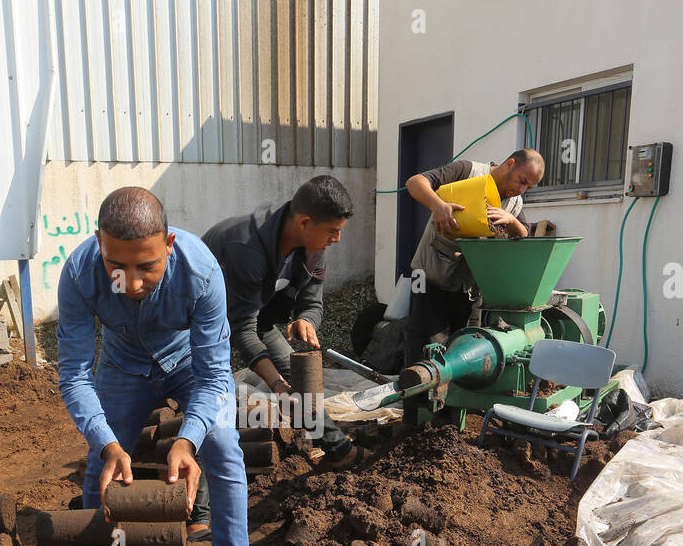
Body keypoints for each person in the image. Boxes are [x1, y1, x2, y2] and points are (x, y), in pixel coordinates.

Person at [56, 187, 252, 546]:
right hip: (122, 366)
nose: (133, 281)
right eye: (116, 267)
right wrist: (107, 443)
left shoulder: (201, 271)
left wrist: (186, 441)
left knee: (224, 450)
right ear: (100, 245)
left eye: (147, 266)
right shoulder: (80, 274)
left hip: (188, 365)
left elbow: (214, 374)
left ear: (169, 243)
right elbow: (75, 374)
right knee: (98, 468)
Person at [201, 175, 369, 469]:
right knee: (210, 390)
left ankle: (339, 451)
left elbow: (313, 303)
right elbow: (241, 331)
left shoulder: (316, 248)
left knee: (301, 377)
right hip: (200, 320)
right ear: (304, 222)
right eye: (332, 231)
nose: (337, 239)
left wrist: (306, 319)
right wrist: (277, 384)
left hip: (255, 317)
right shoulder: (247, 247)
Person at [402, 149, 545, 377]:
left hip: (469, 289)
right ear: (509, 164)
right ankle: (416, 409)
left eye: (528, 187)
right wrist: (437, 205)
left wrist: (511, 222)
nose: (522, 190)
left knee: (462, 349)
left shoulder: (514, 203)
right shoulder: (468, 171)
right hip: (428, 276)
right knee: (422, 343)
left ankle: (450, 409)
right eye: (522, 181)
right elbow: (414, 182)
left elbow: (524, 234)